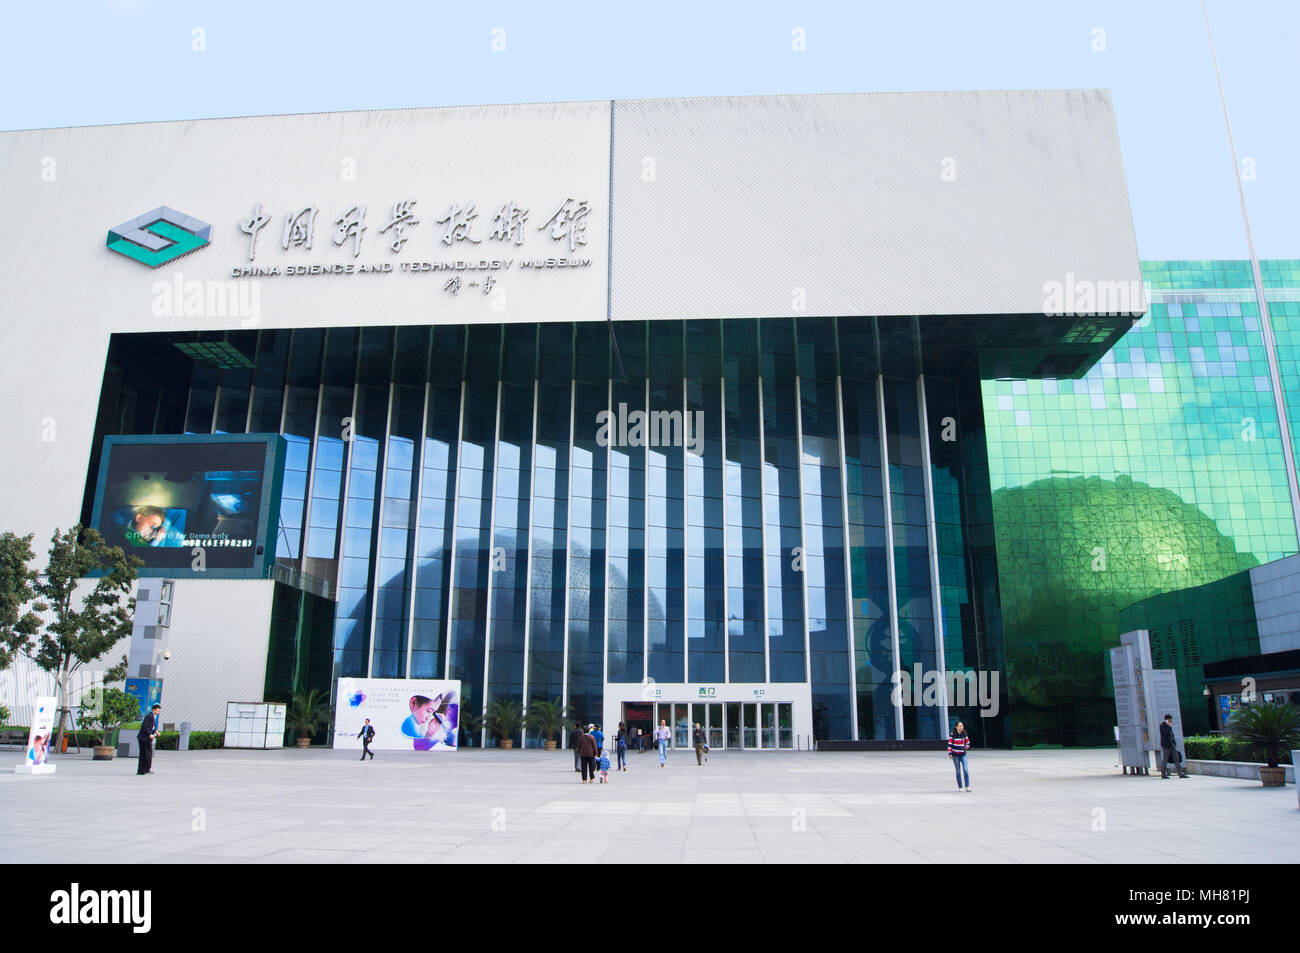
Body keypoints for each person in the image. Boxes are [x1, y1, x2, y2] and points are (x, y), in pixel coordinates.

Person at [1159, 714, 1188, 779]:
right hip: (1166, 745)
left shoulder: (1169, 725)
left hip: (1172, 745)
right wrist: (1169, 727)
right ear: (1167, 719)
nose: (1171, 720)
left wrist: (1174, 743)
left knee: (1176, 759)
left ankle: (1181, 773)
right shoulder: (1162, 725)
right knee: (1165, 760)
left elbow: (1171, 735)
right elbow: (1165, 733)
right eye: (1170, 719)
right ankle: (1163, 774)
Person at [948, 721, 971, 792]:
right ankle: (960, 786)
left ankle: (967, 786)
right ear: (956, 727)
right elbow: (949, 745)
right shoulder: (953, 735)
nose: (962, 727)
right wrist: (950, 754)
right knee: (958, 771)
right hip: (955, 755)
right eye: (960, 725)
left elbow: (968, 743)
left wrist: (966, 747)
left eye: (962, 725)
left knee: (965, 769)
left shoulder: (964, 734)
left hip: (963, 754)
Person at [137, 703, 161, 776]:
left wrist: (155, 731)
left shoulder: (153, 717)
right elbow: (145, 726)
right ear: (153, 710)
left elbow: (152, 726)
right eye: (157, 710)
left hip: (146, 738)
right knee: (145, 754)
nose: (158, 712)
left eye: (159, 711)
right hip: (144, 738)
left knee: (147, 754)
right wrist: (149, 734)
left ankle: (145, 769)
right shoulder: (149, 716)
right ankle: (142, 770)